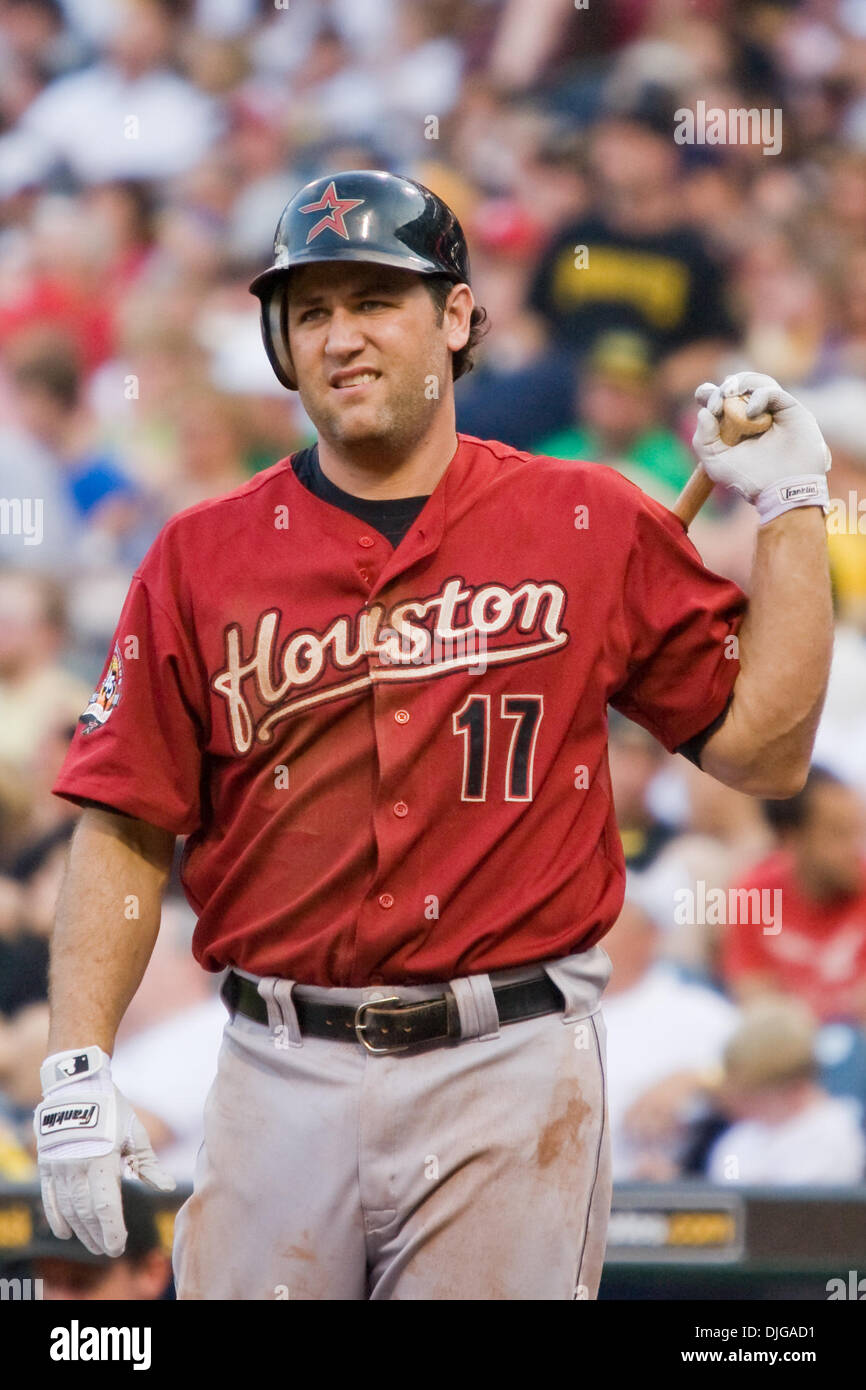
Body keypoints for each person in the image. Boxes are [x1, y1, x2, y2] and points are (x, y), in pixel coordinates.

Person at [34, 169, 833, 1301]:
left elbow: (765, 752)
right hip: (277, 1061)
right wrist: (76, 1059)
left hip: (506, 1061)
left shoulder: (583, 516)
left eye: (374, 300)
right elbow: (123, 824)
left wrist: (793, 507)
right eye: (309, 311)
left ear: (454, 318)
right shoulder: (198, 554)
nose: (339, 337)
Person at [722, 767, 866, 1025]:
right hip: (799, 1051)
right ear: (792, 838)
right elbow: (754, 1000)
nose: (854, 849)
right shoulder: (755, 894)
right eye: (837, 834)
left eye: (856, 832)